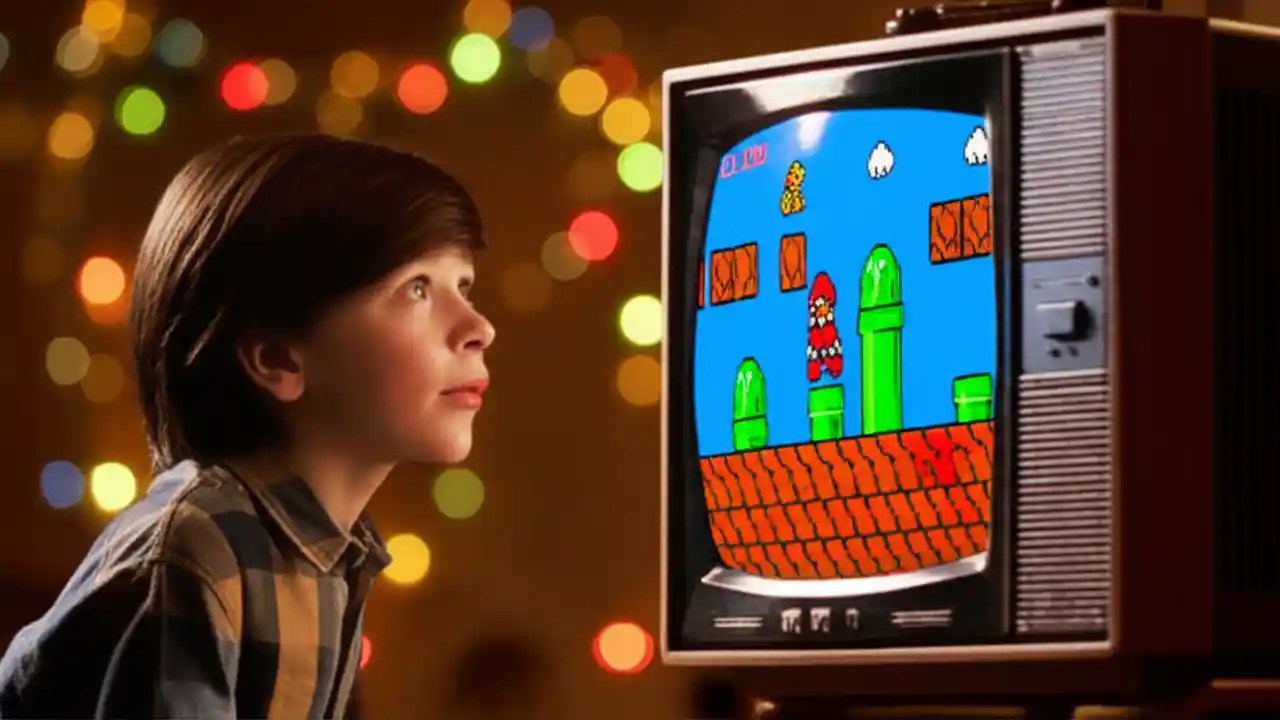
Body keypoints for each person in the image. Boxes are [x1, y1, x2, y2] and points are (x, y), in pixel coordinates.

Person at [0, 133, 496, 719]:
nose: (479, 327)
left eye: (462, 285)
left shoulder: (331, 553)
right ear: (278, 359)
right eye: (417, 288)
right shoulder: (199, 547)